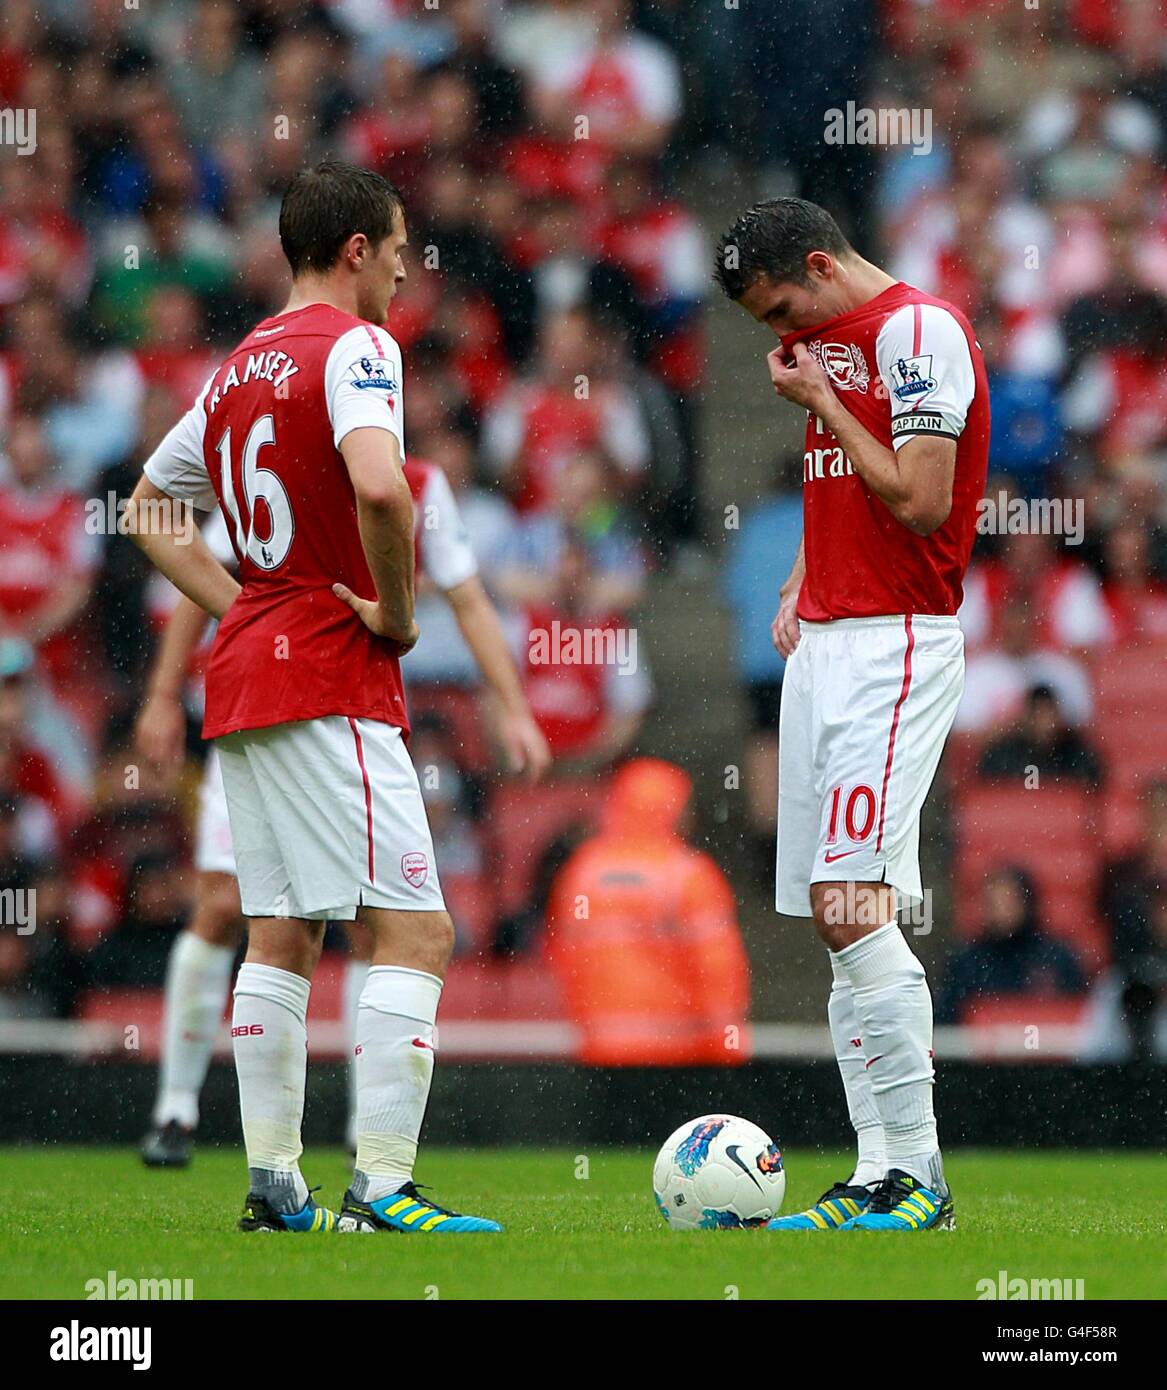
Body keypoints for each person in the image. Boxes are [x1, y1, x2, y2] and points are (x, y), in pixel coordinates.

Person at [125, 160, 508, 1235]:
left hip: (245, 674)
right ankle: (383, 1188)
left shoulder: (237, 366)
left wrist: (247, 594)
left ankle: (274, 1183)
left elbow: (148, 512)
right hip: (330, 672)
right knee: (416, 932)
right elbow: (382, 481)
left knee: (281, 931)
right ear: (354, 251)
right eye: (393, 253)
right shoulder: (358, 348)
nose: (399, 274)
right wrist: (393, 608)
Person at [135, 454, 548, 1167]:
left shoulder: (417, 485)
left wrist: (512, 706)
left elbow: (469, 597)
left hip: (337, 710)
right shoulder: (280, 465)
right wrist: (164, 693)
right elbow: (190, 571)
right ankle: (177, 1109)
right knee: (229, 905)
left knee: (362, 923)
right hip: (282, 698)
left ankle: (352, 1131)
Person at [715, 197, 990, 1232]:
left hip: (896, 640)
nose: (780, 333)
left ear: (823, 266)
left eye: (783, 305)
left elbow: (921, 502)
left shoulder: (917, 332)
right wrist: (799, 572)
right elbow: (847, 492)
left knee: (851, 899)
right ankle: (879, 1171)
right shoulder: (828, 343)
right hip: (829, 640)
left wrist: (824, 404)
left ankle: (921, 1176)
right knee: (839, 922)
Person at [546, 758, 750, 1065]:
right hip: (680, 1052)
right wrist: (727, 1039)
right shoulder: (688, 873)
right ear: (675, 808)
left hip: (602, 1049)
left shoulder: (584, 871)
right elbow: (717, 965)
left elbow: (564, 956)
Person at [935, 867, 1086, 1024]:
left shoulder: (1057, 958)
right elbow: (948, 1026)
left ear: (1026, 903)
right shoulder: (966, 963)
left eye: (1007, 901)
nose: (1000, 910)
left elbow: (1077, 1020)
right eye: (993, 902)